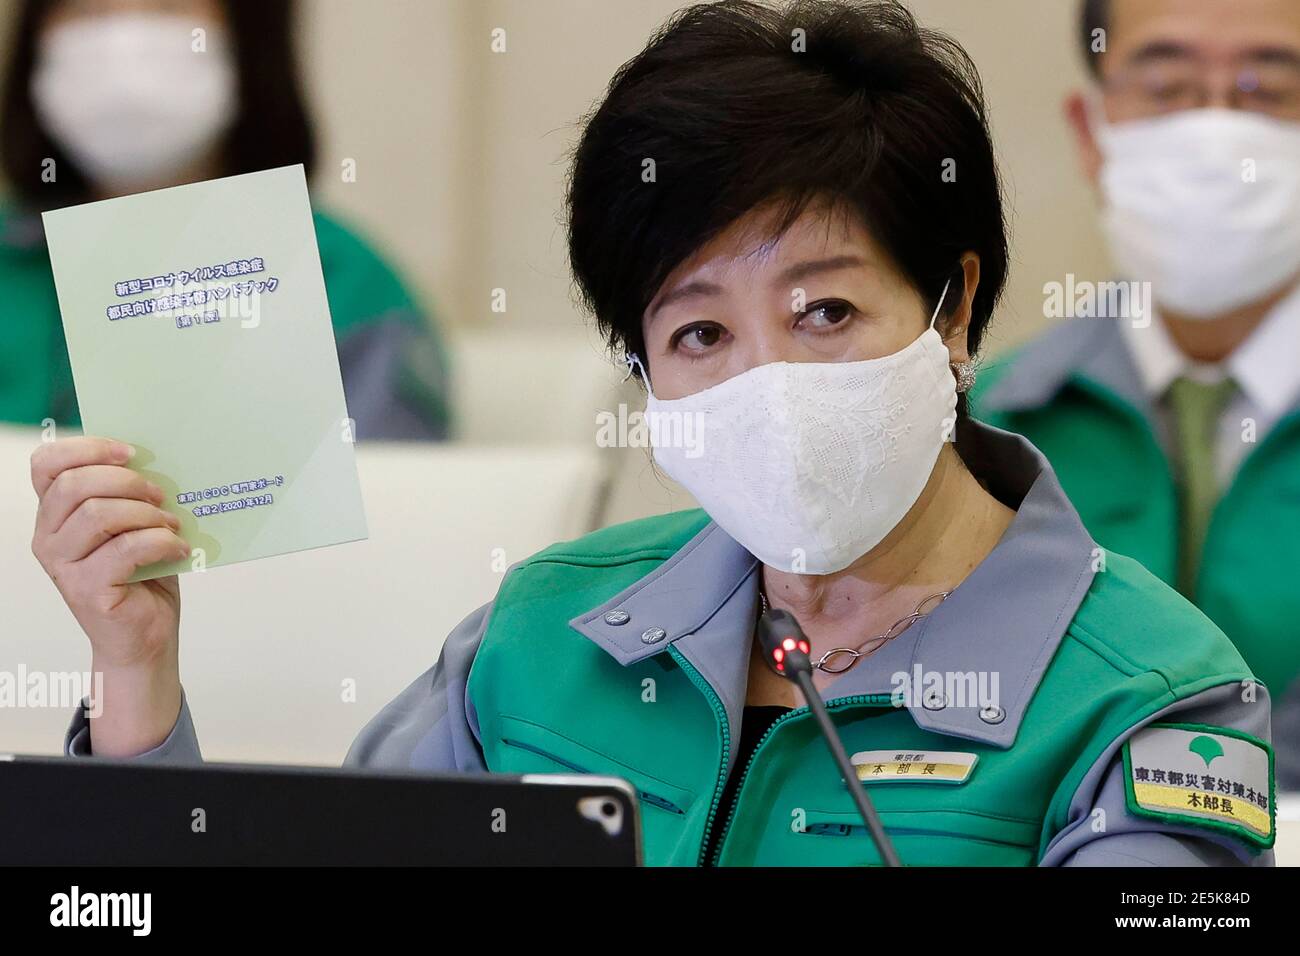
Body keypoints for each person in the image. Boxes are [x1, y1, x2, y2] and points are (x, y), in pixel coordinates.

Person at [33, 0, 1275, 866]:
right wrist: (136, 675)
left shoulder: (1153, 697)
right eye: (699, 335)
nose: (768, 375)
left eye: (825, 309)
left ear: (951, 308)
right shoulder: (538, 637)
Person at [971, 0, 1300, 783]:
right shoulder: (980, 427)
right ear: (1091, 133)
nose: (1215, 131)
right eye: (1166, 86)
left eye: (1267, 89)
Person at [0, 0, 451, 439]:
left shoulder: (344, 282)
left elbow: (393, 500)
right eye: (86, 9)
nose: (124, 41)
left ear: (248, 34)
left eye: (169, 6)